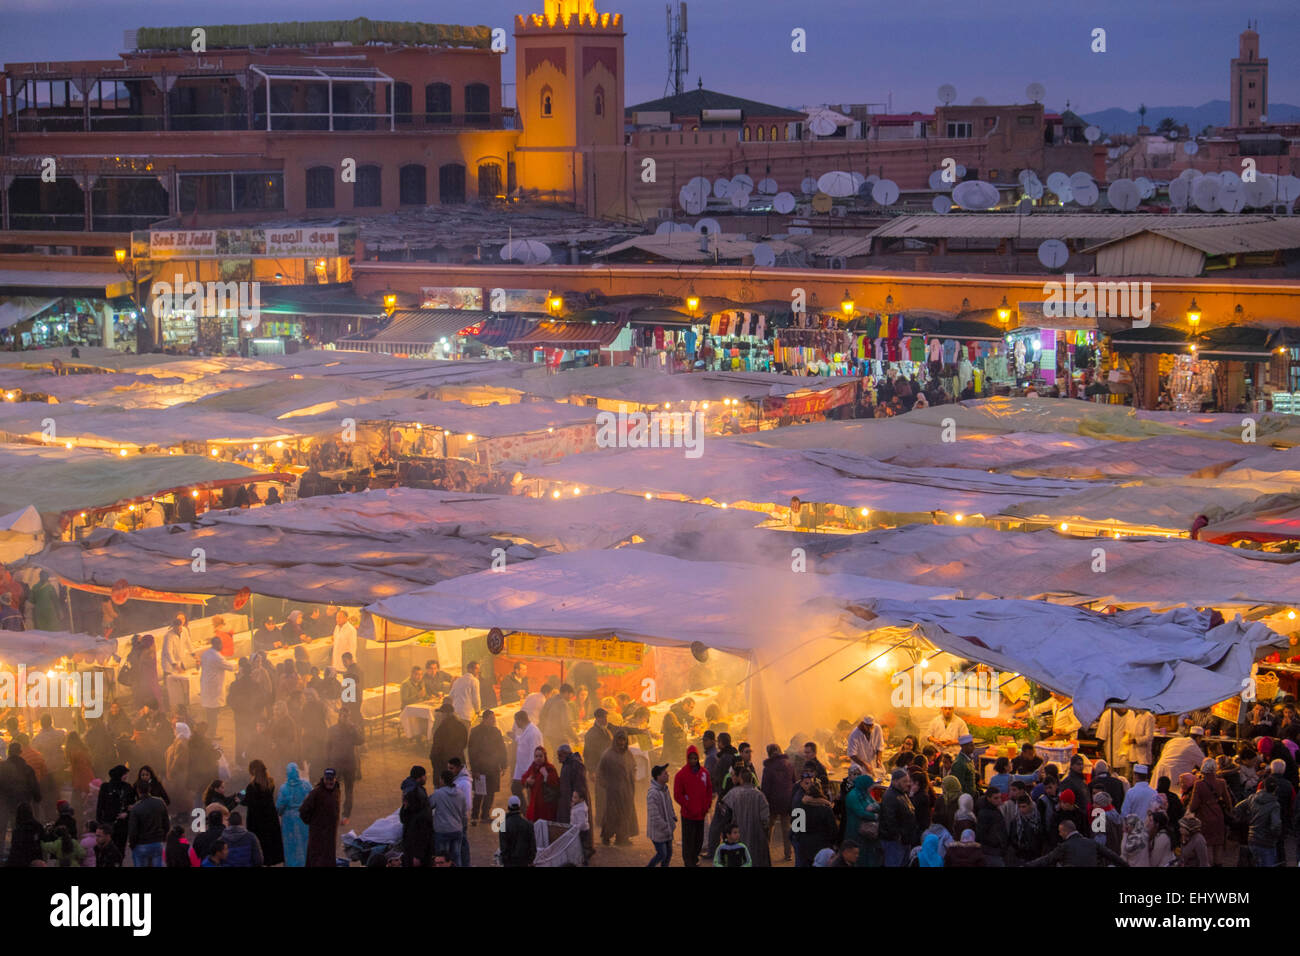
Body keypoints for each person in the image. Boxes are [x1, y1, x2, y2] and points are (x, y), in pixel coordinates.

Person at [716, 770, 771, 866]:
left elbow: (724, 809)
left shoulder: (734, 793)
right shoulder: (759, 795)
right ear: (752, 779)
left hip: (738, 833)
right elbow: (765, 818)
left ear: (741, 780)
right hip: (757, 834)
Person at [1026, 820, 1129, 867]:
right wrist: (1125, 865)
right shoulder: (1092, 843)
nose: (1059, 834)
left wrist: (1027, 865)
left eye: (1060, 831)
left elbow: (1047, 859)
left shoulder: (1065, 846)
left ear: (1066, 831)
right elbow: (1111, 855)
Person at [597, 730, 638, 846]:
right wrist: (606, 785)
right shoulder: (608, 754)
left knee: (625, 813)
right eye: (619, 739)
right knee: (612, 814)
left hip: (627, 789)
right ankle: (606, 836)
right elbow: (601, 772)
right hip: (613, 789)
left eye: (624, 739)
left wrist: (633, 777)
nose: (622, 742)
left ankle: (622, 837)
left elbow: (633, 766)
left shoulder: (628, 753)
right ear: (615, 740)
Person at [673, 744, 712, 867]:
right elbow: (678, 795)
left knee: (698, 841)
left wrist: (706, 807)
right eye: (691, 758)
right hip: (688, 814)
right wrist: (688, 805)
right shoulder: (681, 775)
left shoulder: (705, 773)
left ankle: (694, 859)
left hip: (701, 814)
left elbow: (709, 791)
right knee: (688, 841)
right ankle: (688, 862)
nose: (693, 761)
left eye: (695, 758)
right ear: (687, 758)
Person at [241, 759, 284, 867]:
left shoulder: (251, 787)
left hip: (256, 821)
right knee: (269, 845)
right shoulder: (270, 783)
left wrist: (240, 800)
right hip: (270, 819)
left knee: (258, 845)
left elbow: (248, 801)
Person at [467, 710, 507, 825]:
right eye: (491, 718)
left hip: (493, 767)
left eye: (493, 718)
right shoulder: (475, 732)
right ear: (484, 719)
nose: (493, 720)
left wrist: (503, 764)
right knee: (479, 793)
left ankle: (485, 815)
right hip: (480, 768)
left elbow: (501, 748)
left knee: (491, 793)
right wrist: (475, 769)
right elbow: (472, 752)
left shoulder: (496, 731)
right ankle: (475, 816)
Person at [1189, 757, 1231, 866]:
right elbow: (1228, 802)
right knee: (1218, 846)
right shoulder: (1221, 783)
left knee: (1206, 847)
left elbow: (1193, 806)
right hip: (1218, 817)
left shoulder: (1199, 784)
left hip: (1204, 817)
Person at [324, 709, 363, 825]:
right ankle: (333, 813)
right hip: (336, 764)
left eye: (347, 716)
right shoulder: (332, 730)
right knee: (333, 790)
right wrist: (327, 763)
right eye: (343, 716)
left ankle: (346, 815)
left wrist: (354, 729)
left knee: (349, 791)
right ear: (339, 716)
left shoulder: (352, 730)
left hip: (350, 764)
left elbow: (361, 741)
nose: (345, 718)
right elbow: (327, 747)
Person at [1235, 775, 1282, 867]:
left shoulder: (1253, 797)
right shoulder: (1274, 805)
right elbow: (1275, 825)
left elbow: (1237, 808)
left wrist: (1248, 819)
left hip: (1252, 838)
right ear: (1275, 788)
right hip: (1267, 841)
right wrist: (1276, 835)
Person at [299, 767, 341, 867]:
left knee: (328, 859)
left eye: (331, 780)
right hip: (318, 836)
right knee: (317, 860)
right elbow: (303, 811)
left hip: (330, 836)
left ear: (335, 779)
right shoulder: (316, 793)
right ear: (323, 779)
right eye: (327, 779)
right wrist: (314, 823)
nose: (329, 782)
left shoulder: (336, 791)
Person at [760, 743, 794, 863]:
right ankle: (788, 854)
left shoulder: (768, 768)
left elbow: (765, 788)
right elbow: (794, 781)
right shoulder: (789, 765)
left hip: (772, 802)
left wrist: (764, 803)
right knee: (786, 828)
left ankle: (765, 852)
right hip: (787, 801)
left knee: (769, 828)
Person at [878, 767, 918, 867]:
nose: (908, 784)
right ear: (895, 781)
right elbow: (889, 820)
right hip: (893, 842)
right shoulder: (890, 796)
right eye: (904, 781)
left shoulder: (901, 793)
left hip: (904, 840)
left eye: (908, 781)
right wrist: (898, 836)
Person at [276, 762, 312, 867]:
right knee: (304, 844)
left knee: (290, 846)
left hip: (288, 822)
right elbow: (313, 801)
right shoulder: (306, 785)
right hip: (304, 819)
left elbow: (279, 808)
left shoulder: (284, 789)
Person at [199, 636, 236, 735]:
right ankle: (212, 733)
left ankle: (210, 732)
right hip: (213, 687)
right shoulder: (217, 657)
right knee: (213, 712)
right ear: (217, 645)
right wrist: (237, 663)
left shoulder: (206, 653)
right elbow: (231, 667)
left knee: (209, 711)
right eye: (220, 644)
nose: (222, 646)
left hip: (206, 685)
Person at [127, 781, 168, 867]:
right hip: (157, 842)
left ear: (138, 790)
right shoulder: (160, 803)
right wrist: (163, 837)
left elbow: (133, 830)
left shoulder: (136, 808)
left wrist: (132, 844)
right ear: (149, 789)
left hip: (141, 844)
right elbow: (166, 823)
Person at [428, 700, 468, 789]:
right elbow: (464, 744)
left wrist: (434, 760)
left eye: (442, 713)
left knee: (443, 794)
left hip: (443, 764)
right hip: (458, 762)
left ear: (447, 714)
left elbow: (436, 748)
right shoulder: (461, 726)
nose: (440, 715)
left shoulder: (442, 728)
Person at [430, 770, 466, 862]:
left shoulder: (438, 794)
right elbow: (463, 812)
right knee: (456, 856)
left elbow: (429, 805)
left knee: (442, 858)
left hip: (443, 830)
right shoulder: (461, 794)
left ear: (442, 780)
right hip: (457, 829)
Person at [646, 763, 677, 866]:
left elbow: (670, 806)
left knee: (668, 855)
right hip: (658, 831)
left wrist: (673, 817)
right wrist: (666, 826)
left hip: (667, 829)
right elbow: (654, 816)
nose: (668, 775)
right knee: (662, 854)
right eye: (665, 773)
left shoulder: (665, 789)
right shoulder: (652, 793)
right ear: (658, 777)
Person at [509, 710, 543, 801]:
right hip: (521, 768)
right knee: (516, 788)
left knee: (529, 793)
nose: (516, 724)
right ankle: (526, 811)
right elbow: (524, 742)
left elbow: (535, 753)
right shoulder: (527, 730)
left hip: (529, 769)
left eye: (516, 721)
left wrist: (531, 772)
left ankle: (528, 812)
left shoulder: (533, 732)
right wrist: (515, 737)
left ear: (520, 720)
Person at [400, 779, 434, 867]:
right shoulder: (410, 809)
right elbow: (403, 819)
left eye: (404, 795)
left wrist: (417, 856)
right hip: (410, 850)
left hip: (418, 854)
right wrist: (405, 807)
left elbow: (423, 837)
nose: (403, 796)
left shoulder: (422, 814)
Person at [521, 745, 559, 822]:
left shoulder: (550, 768)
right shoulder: (533, 767)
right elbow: (524, 778)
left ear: (544, 756)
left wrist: (546, 776)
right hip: (534, 802)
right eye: (536, 756)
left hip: (546, 805)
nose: (538, 758)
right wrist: (527, 781)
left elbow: (555, 784)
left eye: (540, 756)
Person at [499, 795, 535, 867]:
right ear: (519, 806)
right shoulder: (528, 824)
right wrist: (530, 860)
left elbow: (503, 848)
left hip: (509, 862)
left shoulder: (503, 825)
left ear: (508, 807)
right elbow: (533, 847)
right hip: (523, 862)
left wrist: (504, 860)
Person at [555, 744, 586, 825]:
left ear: (566, 754)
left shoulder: (576, 764)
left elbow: (579, 785)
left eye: (560, 755)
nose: (558, 757)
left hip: (573, 802)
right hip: (567, 801)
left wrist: (575, 801)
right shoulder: (566, 764)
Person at [540, 683, 576, 752]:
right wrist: (574, 737)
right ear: (566, 693)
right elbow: (566, 725)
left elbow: (542, 716)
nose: (571, 697)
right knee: (562, 756)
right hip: (558, 736)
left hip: (548, 734)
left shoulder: (550, 699)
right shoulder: (563, 703)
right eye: (571, 695)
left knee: (555, 754)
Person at [330, 609, 356, 674]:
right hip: (336, 664)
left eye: (339, 617)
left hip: (345, 665)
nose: (337, 619)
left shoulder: (351, 630)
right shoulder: (336, 627)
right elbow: (335, 645)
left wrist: (350, 664)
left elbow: (353, 648)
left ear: (346, 618)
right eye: (336, 617)